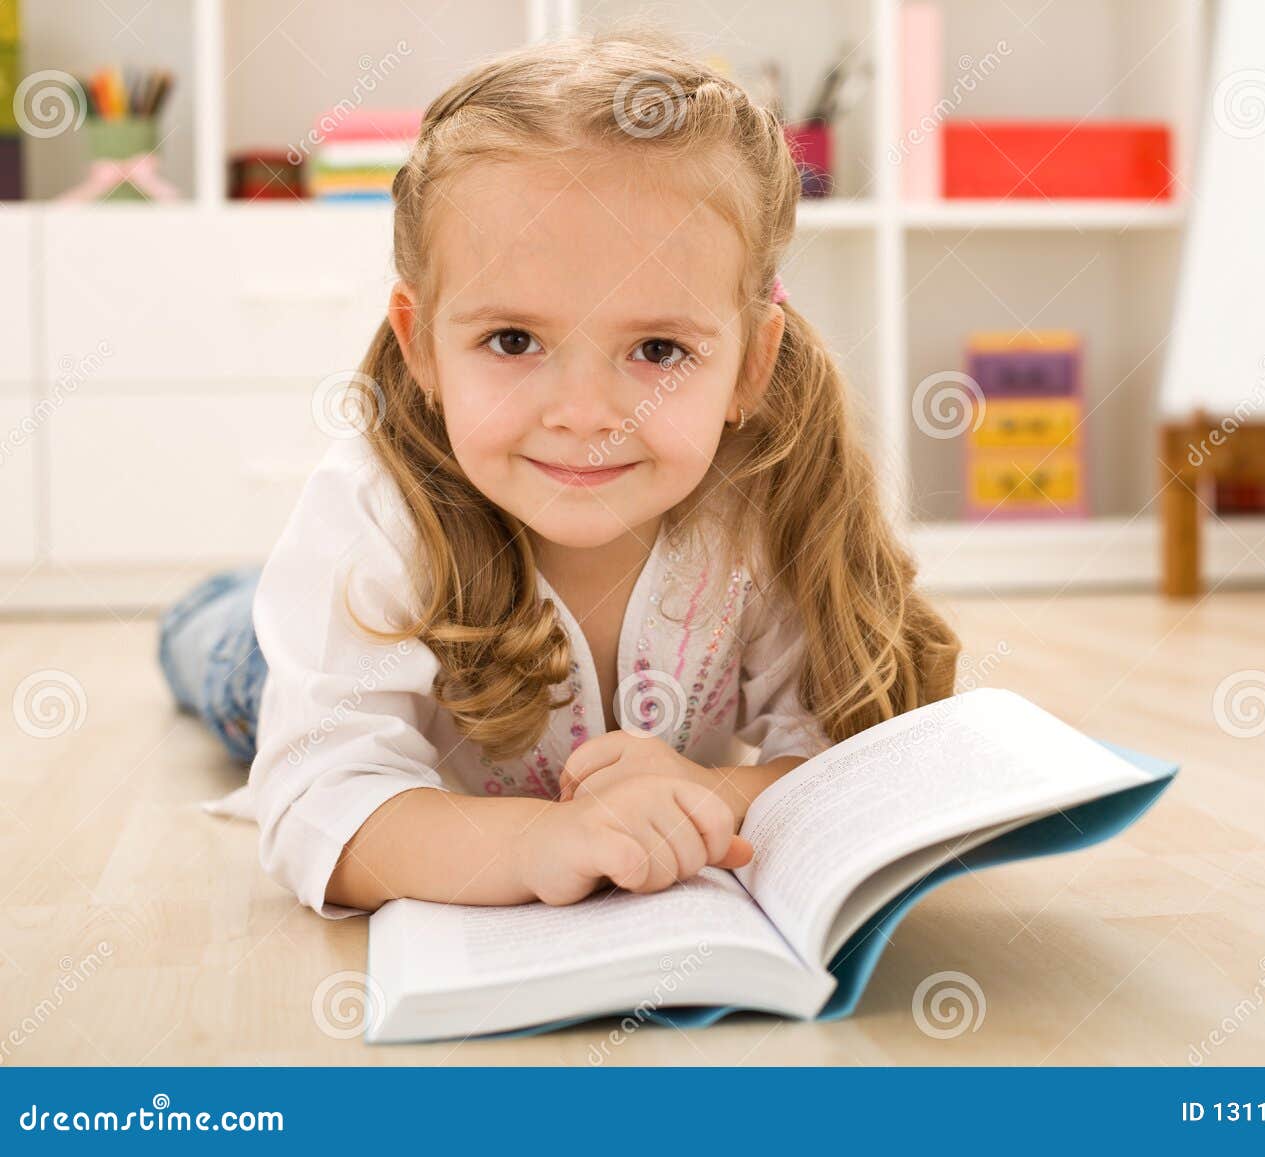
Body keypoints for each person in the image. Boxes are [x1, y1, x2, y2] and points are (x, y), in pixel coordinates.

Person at [158, 25, 959, 920]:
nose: (584, 412)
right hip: (287, 655)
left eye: (658, 349)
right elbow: (320, 805)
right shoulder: (370, 519)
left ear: (750, 365)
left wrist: (710, 792)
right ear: (419, 343)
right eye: (513, 341)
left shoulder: (771, 503)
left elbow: (854, 760)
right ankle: (218, 608)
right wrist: (540, 841)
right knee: (227, 653)